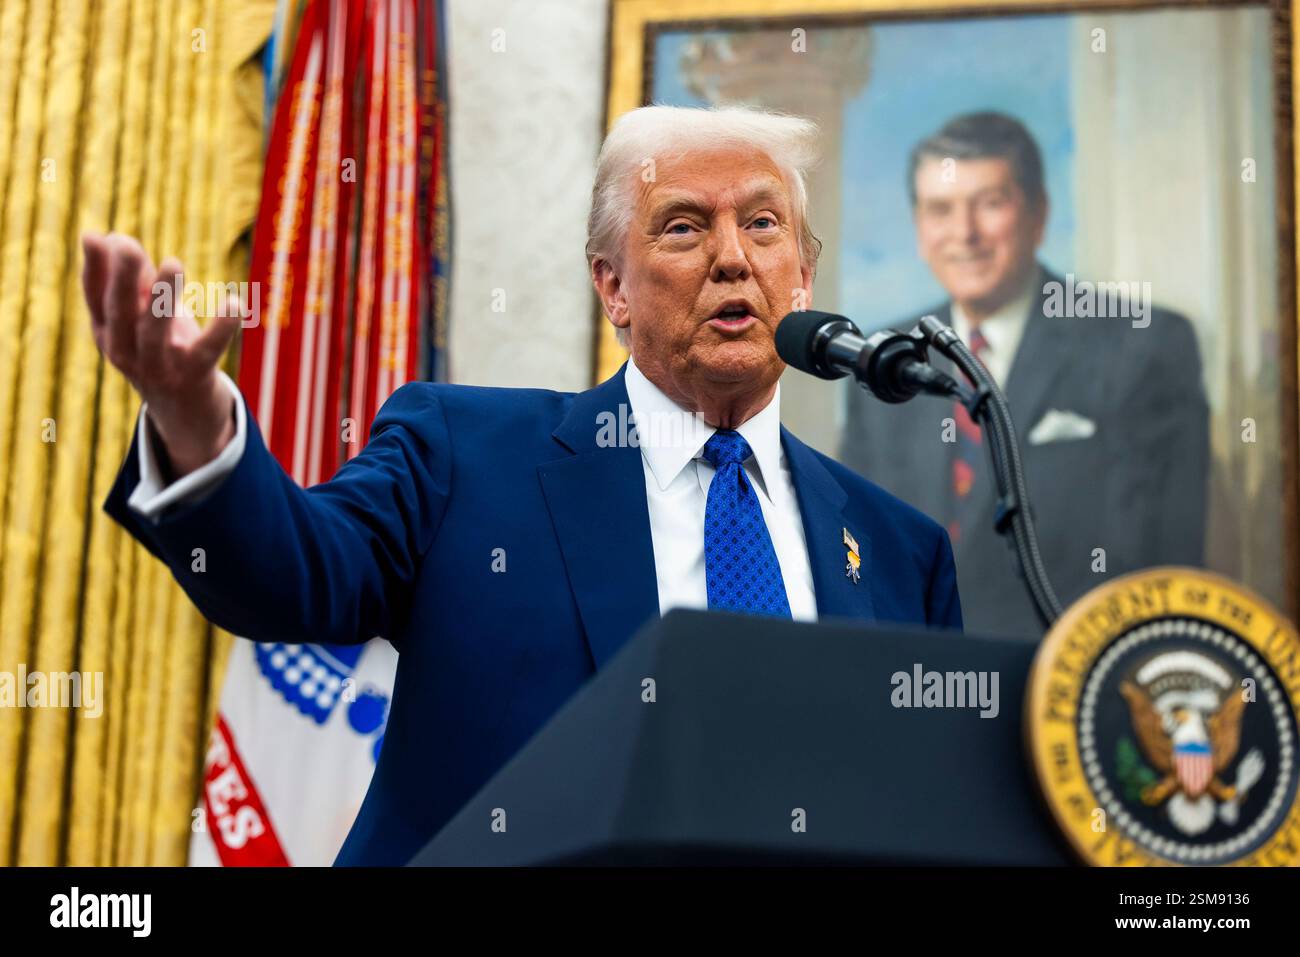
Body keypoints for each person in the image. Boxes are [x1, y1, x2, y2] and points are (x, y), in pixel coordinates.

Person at [85, 105, 961, 866]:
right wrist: (196, 431)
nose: (732, 258)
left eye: (763, 225)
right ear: (612, 285)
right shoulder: (464, 454)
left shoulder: (898, 549)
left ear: (803, 277)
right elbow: (295, 576)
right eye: (684, 227)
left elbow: (929, 814)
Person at [840, 111, 1208, 640]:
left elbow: (1160, 565)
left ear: (1038, 214)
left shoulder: (1143, 346)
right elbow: (857, 552)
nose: (964, 234)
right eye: (941, 209)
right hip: (909, 680)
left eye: (991, 204)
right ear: (919, 227)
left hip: (1065, 685)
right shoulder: (883, 358)